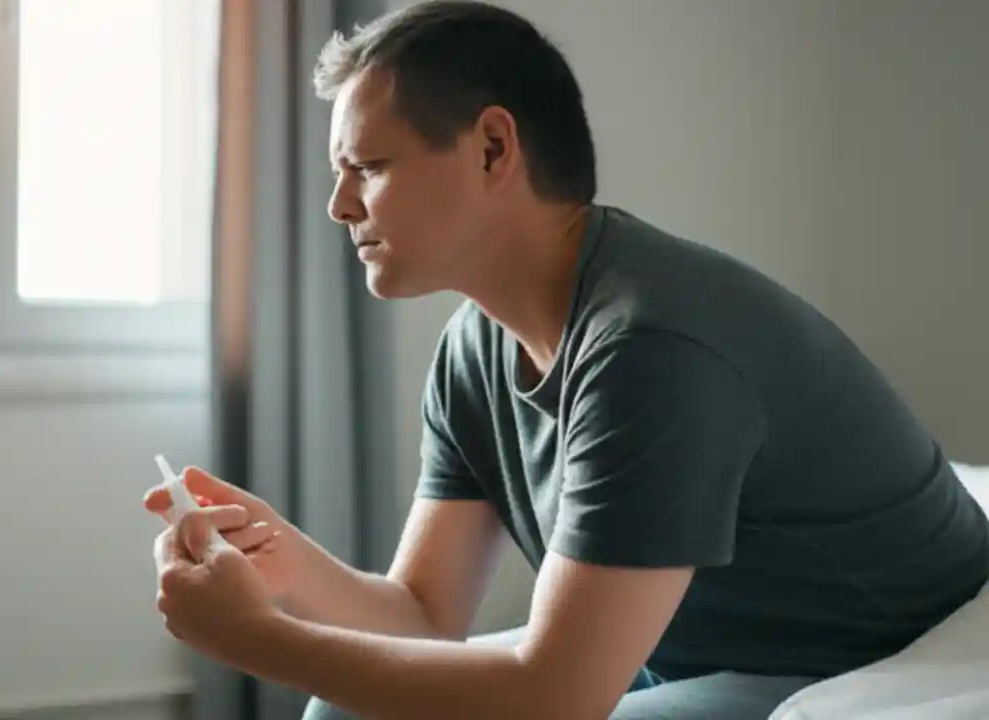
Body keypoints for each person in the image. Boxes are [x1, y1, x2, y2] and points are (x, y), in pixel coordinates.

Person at [143, 2, 989, 718]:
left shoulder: (649, 345)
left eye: (368, 165)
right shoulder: (473, 351)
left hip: (860, 656)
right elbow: (426, 614)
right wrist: (281, 560)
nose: (338, 205)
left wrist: (260, 641)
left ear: (492, 150)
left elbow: (554, 698)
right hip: (685, 647)